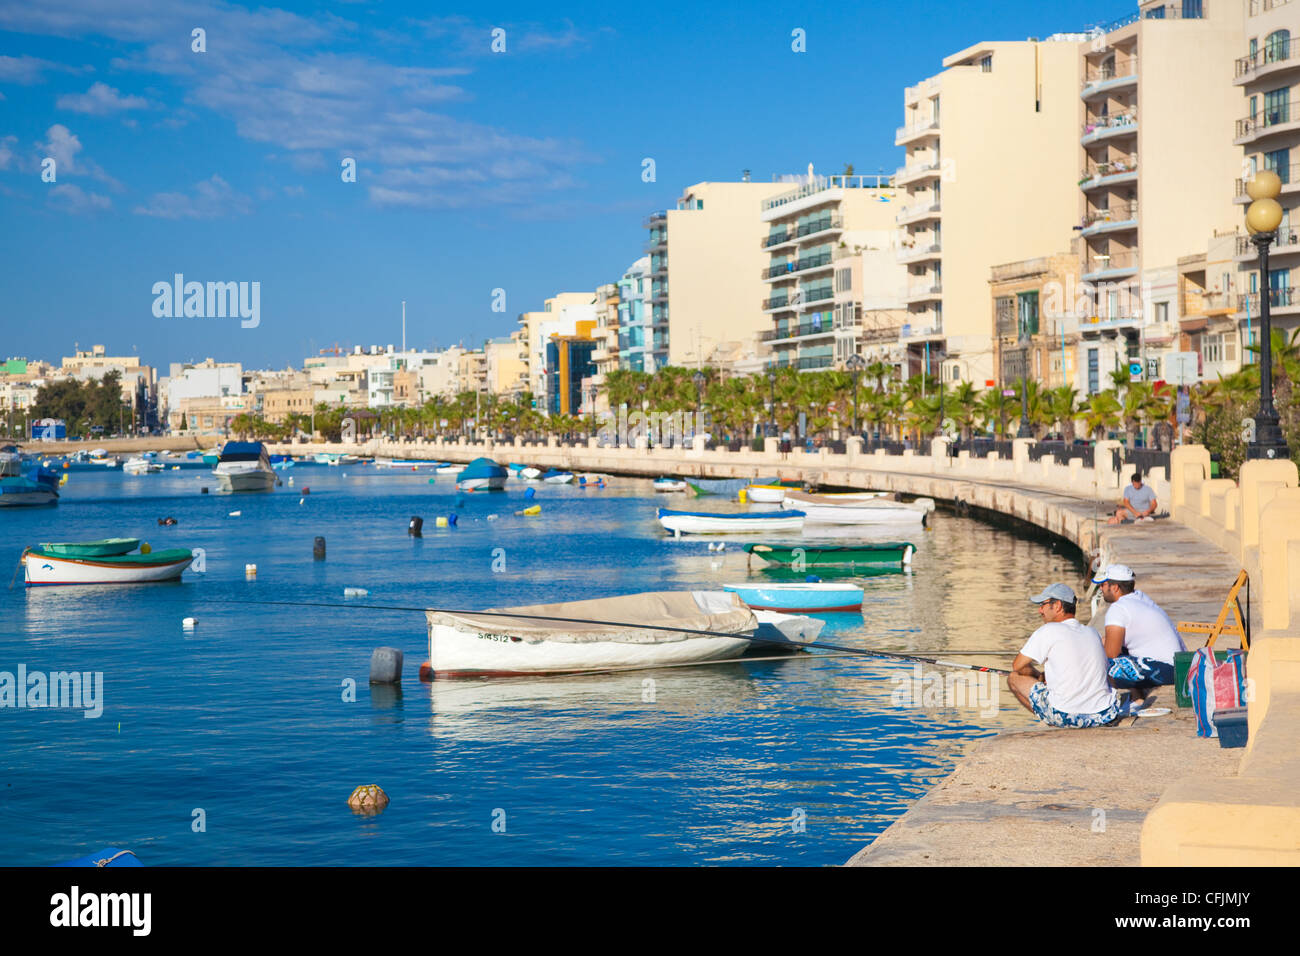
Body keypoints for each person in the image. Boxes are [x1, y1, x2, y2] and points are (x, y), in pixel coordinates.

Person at [1008, 583, 1120, 728]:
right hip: (1104, 714)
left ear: (1058, 606)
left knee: (1013, 678)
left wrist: (1037, 675)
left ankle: (1052, 721)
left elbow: (1017, 665)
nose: (1039, 610)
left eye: (1043, 604)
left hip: (1066, 715)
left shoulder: (1048, 630)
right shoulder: (1092, 632)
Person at [1093, 564, 1186, 702]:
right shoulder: (1140, 597)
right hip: (1179, 666)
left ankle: (1106, 703)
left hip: (1167, 671)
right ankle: (1137, 696)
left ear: (1115, 587)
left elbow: (1110, 654)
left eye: (1103, 585)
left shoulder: (1118, 609)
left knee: (1099, 665)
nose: (1100, 588)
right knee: (1104, 643)